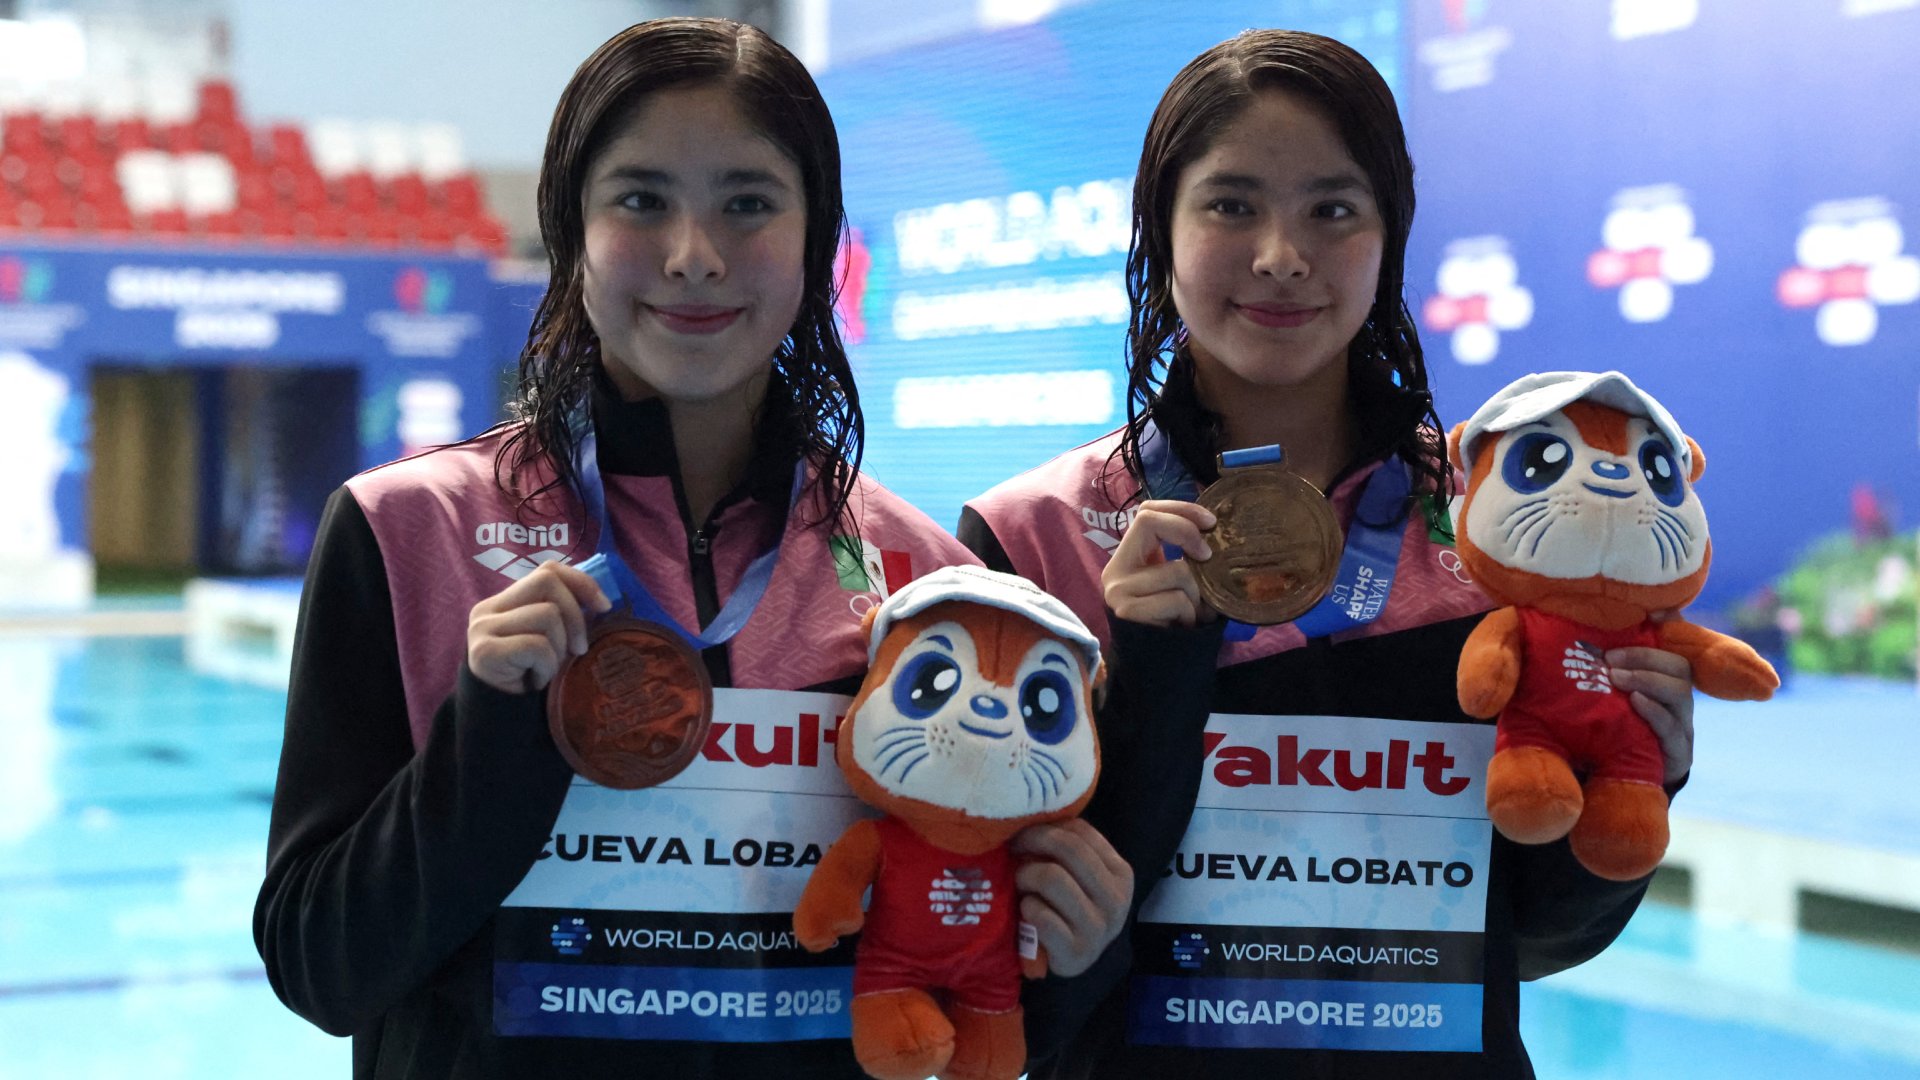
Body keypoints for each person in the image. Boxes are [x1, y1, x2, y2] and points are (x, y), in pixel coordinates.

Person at [253, 18, 1128, 1078]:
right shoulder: (406, 534)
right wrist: (494, 733)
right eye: (641, 200)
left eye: (748, 203)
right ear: (572, 232)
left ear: (818, 244)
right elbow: (323, 971)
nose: (694, 255)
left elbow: (964, 975)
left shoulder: (927, 584)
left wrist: (1072, 946)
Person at [960, 29, 1698, 1080]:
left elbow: (1539, 938)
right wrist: (1146, 675)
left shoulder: (1505, 523)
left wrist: (1637, 777)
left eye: (1332, 210)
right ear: (1158, 227)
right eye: (1230, 204)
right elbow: (1002, 978)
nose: (1280, 255)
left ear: (1387, 236)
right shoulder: (1029, 541)